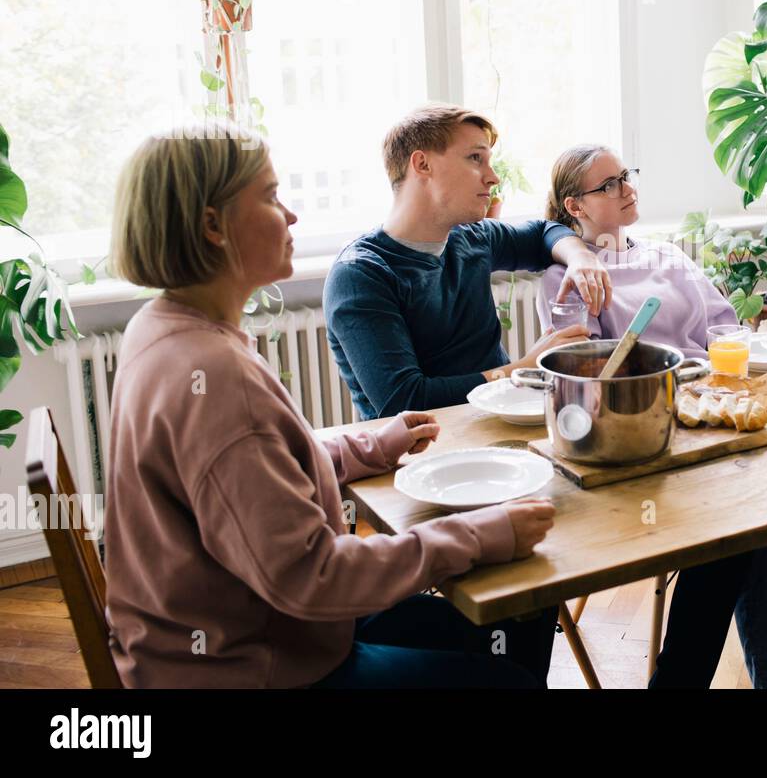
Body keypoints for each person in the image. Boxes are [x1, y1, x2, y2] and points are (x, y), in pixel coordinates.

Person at [104, 123, 558, 688]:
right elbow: (312, 576)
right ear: (212, 226)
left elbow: (250, 464)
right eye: (271, 197)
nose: (291, 216)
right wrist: (481, 534)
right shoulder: (215, 375)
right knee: (507, 676)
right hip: (253, 665)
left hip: (241, 630)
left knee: (522, 607)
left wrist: (365, 444)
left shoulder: (165, 328)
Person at [537, 144, 767, 689]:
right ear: (575, 206)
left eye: (626, 176)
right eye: (608, 184)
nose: (627, 188)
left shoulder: (666, 256)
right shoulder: (565, 277)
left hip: (711, 408)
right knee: (756, 526)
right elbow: (588, 369)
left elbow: (725, 326)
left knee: (764, 519)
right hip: (640, 431)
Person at [324, 103, 610, 419]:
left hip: (495, 428)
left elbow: (544, 232)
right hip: (423, 453)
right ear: (422, 164)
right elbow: (404, 400)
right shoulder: (360, 275)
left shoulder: (472, 237)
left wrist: (581, 257)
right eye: (476, 159)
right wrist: (520, 371)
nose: (493, 178)